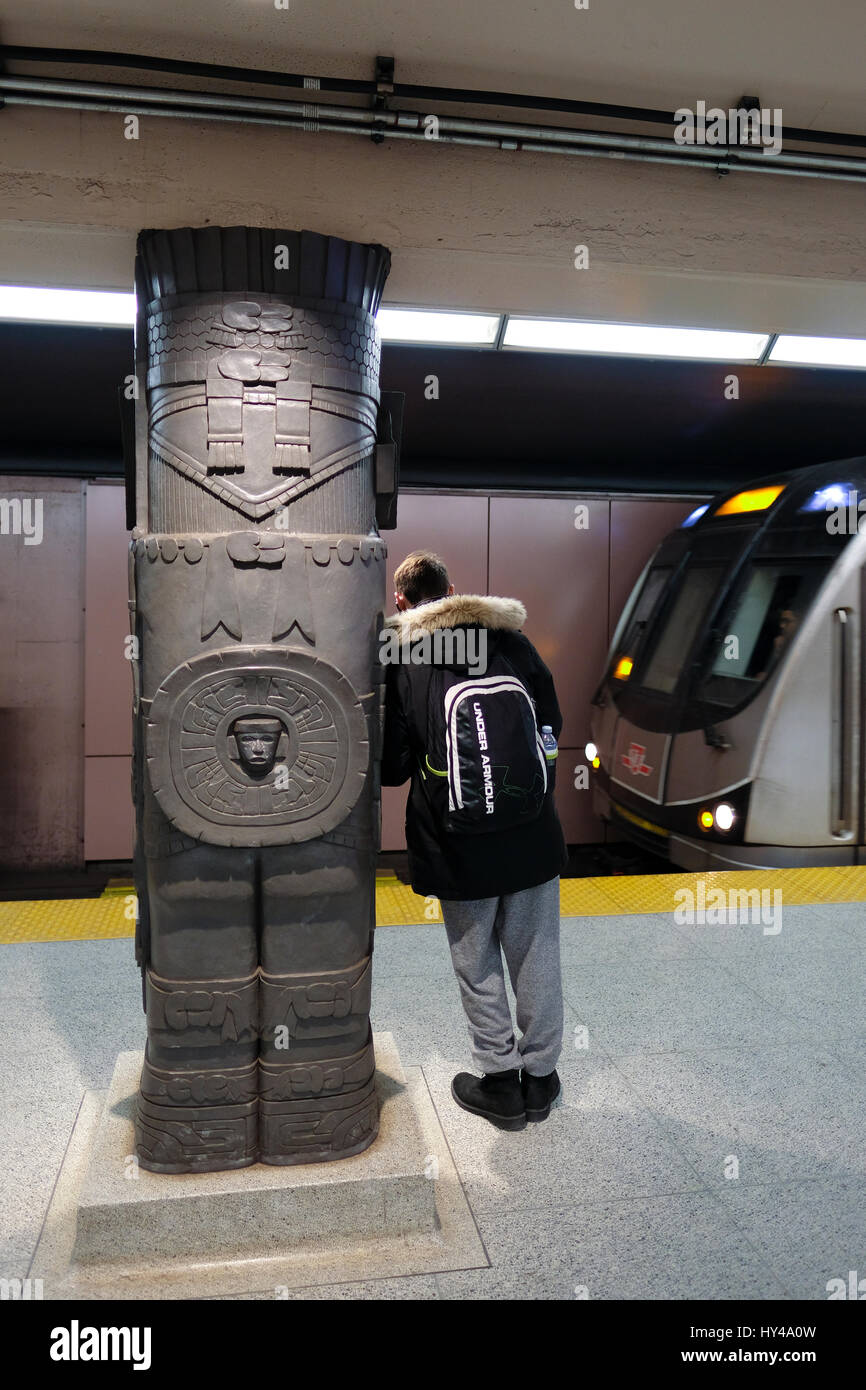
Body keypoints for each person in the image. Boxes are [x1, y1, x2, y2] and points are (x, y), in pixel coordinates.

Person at [380, 550, 567, 1131]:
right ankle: (542, 1078)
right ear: (456, 590)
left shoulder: (405, 655)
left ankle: (501, 1085)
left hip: (457, 841)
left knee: (476, 960)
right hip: (531, 831)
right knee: (536, 951)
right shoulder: (512, 640)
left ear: (402, 602)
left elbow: (391, 766)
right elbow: (550, 726)